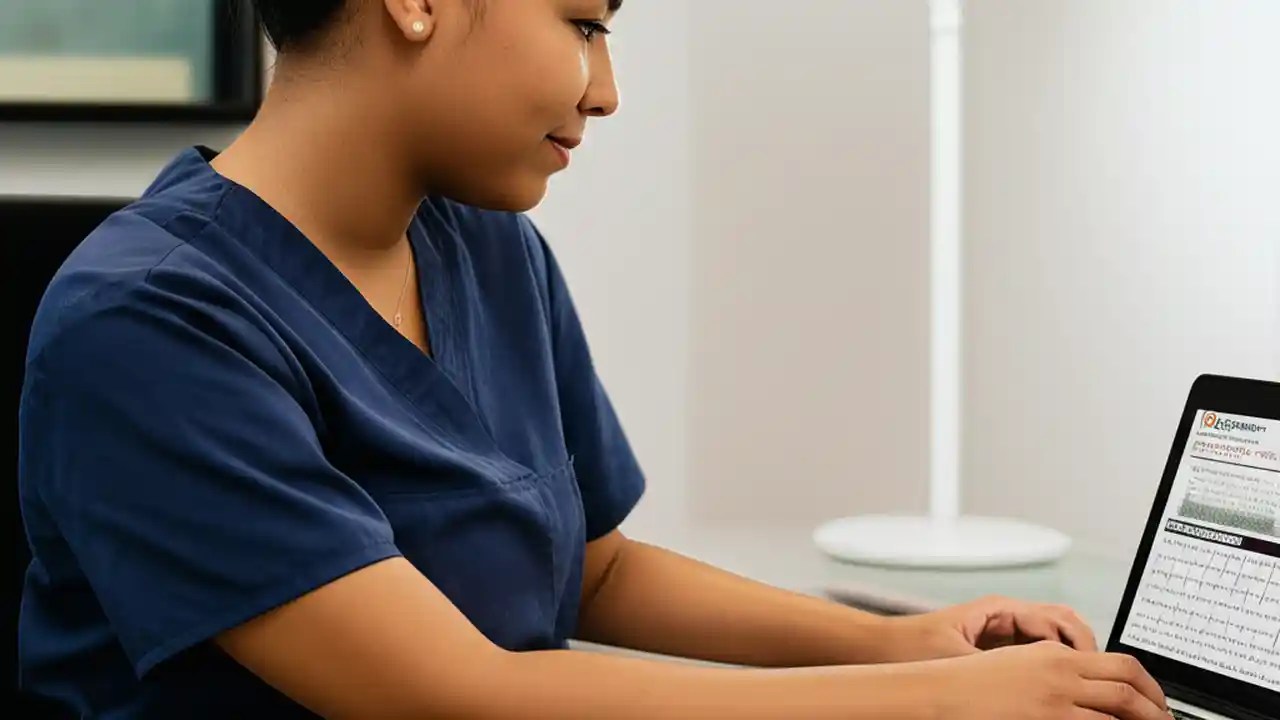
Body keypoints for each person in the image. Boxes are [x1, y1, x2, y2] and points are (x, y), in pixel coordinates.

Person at [16, 1, 1173, 718]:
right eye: (583, 24)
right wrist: (928, 703)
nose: (606, 92)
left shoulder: (488, 247)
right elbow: (453, 695)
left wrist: (896, 641)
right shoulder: (145, 320)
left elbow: (592, 574)